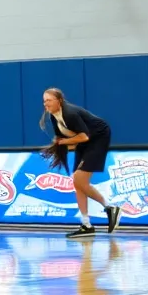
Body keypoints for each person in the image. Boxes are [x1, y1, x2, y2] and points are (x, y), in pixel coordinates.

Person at [40, 88, 120, 238]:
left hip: (98, 138)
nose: (46, 104)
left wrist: (64, 142)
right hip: (85, 140)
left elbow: (84, 137)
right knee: (77, 183)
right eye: (44, 101)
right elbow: (64, 139)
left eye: (49, 100)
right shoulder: (53, 116)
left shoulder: (70, 114)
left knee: (79, 179)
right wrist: (57, 145)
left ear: (60, 101)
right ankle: (86, 225)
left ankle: (110, 207)